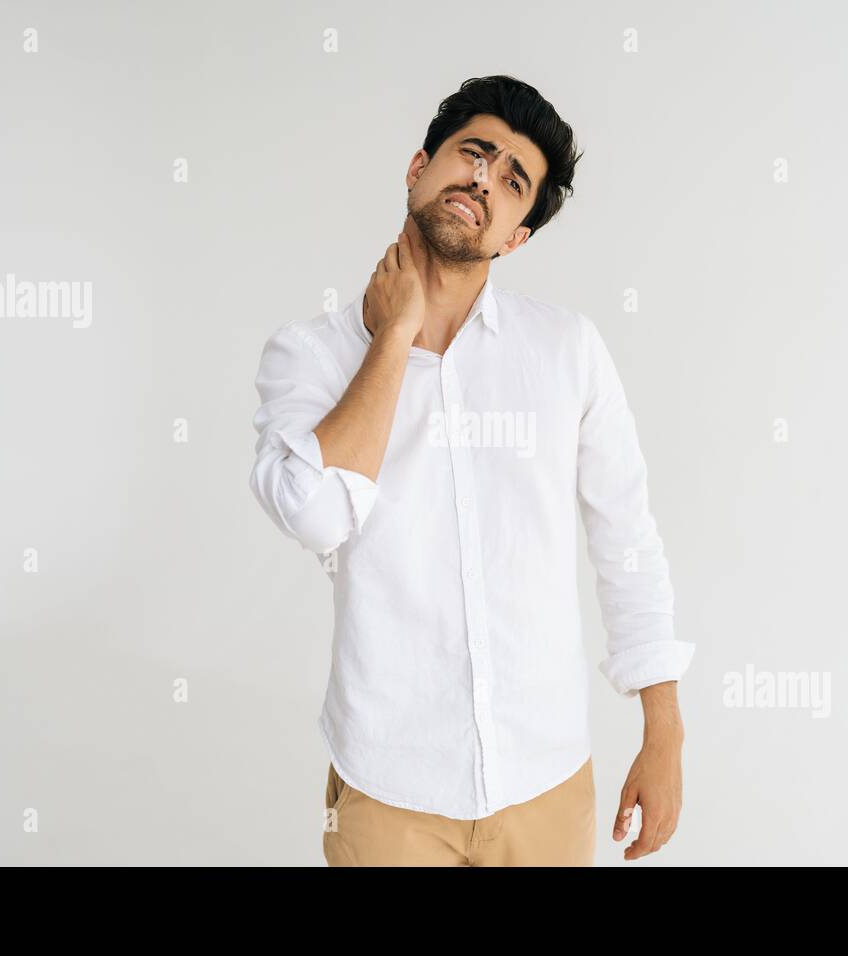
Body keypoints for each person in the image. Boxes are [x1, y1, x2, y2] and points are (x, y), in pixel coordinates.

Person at [249, 75, 695, 866]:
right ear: (419, 166)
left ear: (516, 236)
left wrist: (664, 733)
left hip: (546, 784)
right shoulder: (309, 356)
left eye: (513, 179)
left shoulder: (568, 352)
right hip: (390, 791)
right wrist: (394, 339)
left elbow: (627, 538)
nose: (484, 178)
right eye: (473, 153)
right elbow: (317, 514)